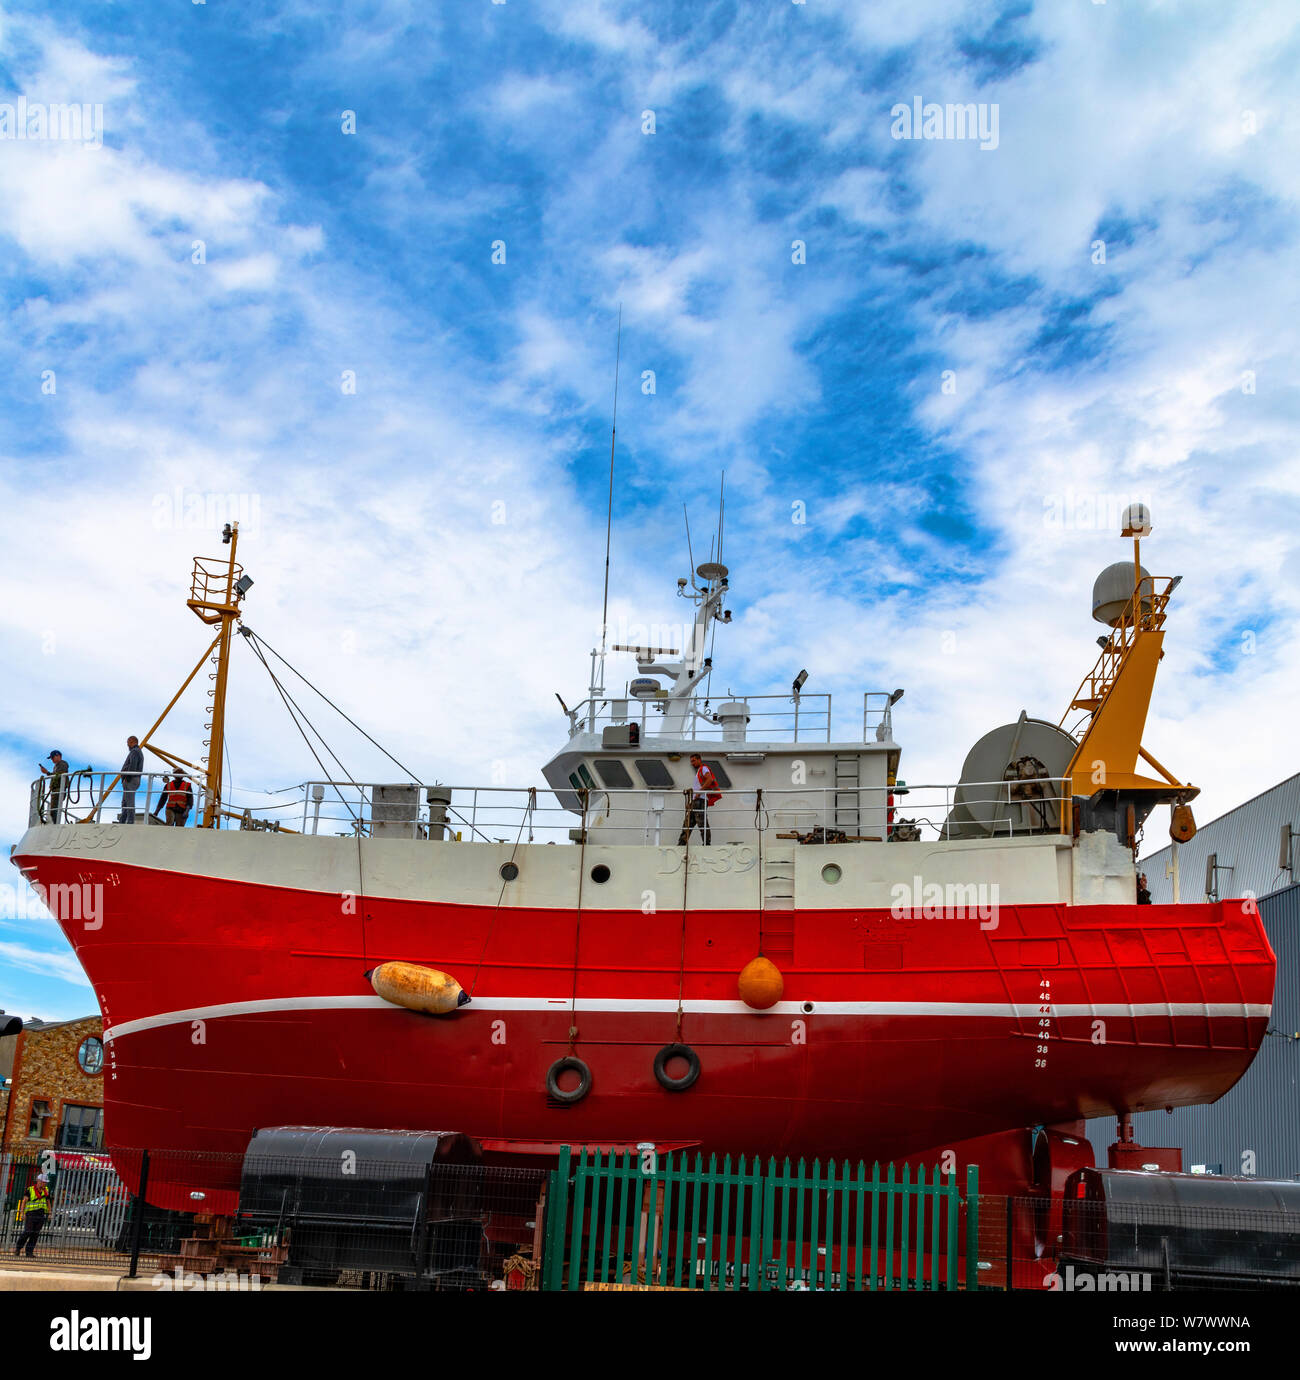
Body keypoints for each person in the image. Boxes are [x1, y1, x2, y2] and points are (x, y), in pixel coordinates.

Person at [678, 753, 721, 846]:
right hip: (696, 801)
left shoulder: (703, 768)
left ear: (699, 760)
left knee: (701, 823)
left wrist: (699, 792)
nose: (692, 763)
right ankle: (682, 843)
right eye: (691, 761)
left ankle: (706, 844)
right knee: (688, 822)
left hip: (700, 800)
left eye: (693, 761)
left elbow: (709, 780)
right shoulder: (699, 771)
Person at [14, 1172, 51, 1258]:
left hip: (41, 1214)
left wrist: (50, 1213)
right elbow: (24, 1201)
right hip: (31, 1214)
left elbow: (48, 1202)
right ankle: (18, 1248)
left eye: (46, 1182)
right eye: (43, 1182)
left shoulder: (46, 1190)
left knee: (35, 1234)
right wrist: (22, 1213)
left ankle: (29, 1252)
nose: (45, 1183)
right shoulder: (30, 1190)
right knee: (28, 1231)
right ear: (38, 1181)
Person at [116, 736, 144, 824]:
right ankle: (122, 820)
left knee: (129, 801)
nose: (127, 744)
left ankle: (130, 822)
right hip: (133, 779)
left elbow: (133, 765)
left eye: (128, 742)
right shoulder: (138, 751)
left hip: (131, 779)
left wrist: (126, 778)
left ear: (132, 742)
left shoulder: (134, 751)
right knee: (125, 801)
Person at [38, 751, 68, 824]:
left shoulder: (63, 764)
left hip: (59, 789)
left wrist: (47, 772)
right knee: (53, 808)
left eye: (53, 757)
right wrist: (47, 772)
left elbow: (59, 774)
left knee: (54, 808)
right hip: (56, 789)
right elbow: (56, 775)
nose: (52, 760)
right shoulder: (56, 766)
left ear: (58, 756)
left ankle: (53, 823)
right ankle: (53, 822)